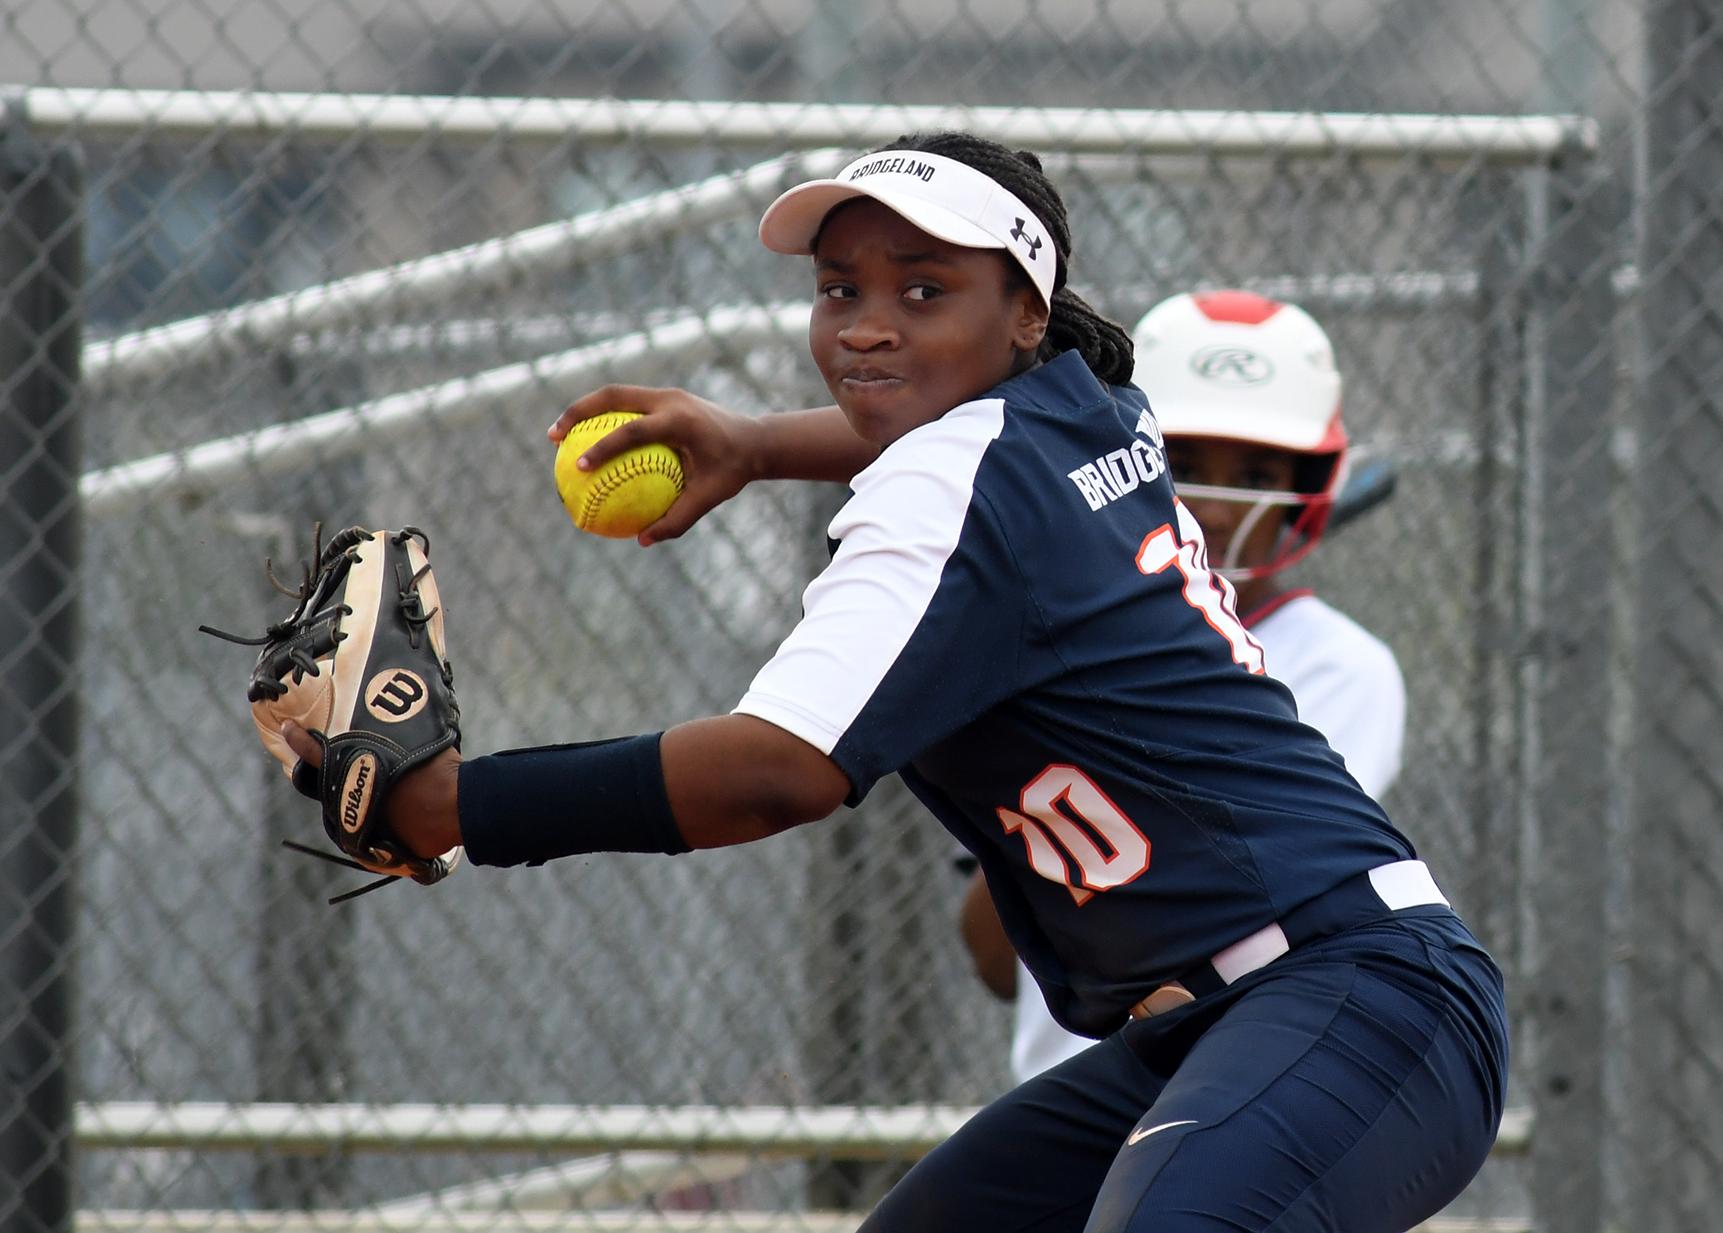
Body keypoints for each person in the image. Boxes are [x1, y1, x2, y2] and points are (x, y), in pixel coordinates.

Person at [283, 131, 1506, 1232]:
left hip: (1351, 1005)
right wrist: (760, 444)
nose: (869, 326)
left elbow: (776, 775)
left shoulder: (954, 484)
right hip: (1261, 1014)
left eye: (927, 291)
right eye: (841, 290)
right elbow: (961, 449)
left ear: (1026, 313)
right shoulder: (1090, 406)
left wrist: (448, 807)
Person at [961, 289, 1409, 1082]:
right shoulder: (1049, 645)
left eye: (1259, 471)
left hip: (1229, 1086)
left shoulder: (1343, 666)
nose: (1215, 501)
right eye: (1189, 462)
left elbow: (1260, 893)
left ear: (1305, 487)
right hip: (1060, 1098)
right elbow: (996, 960)